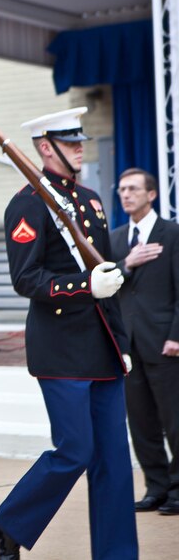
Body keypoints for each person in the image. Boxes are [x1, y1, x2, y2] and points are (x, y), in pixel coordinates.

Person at [0, 108, 134, 560]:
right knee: (75, 451)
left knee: (115, 464)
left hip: (102, 346)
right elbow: (26, 279)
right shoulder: (28, 204)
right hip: (61, 347)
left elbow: (107, 278)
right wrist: (85, 286)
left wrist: (121, 343)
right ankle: (6, 522)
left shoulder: (90, 200)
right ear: (45, 148)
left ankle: (118, 554)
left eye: (80, 140)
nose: (81, 147)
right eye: (70, 142)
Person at [110, 167, 179, 516]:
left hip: (166, 343)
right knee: (141, 423)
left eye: (133, 189)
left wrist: (177, 336)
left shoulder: (173, 233)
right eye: (122, 189)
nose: (125, 194)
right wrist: (126, 263)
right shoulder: (117, 239)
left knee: (175, 419)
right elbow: (108, 287)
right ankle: (156, 487)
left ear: (151, 194)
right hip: (129, 346)